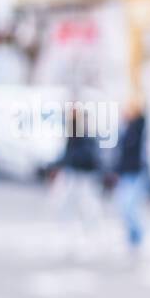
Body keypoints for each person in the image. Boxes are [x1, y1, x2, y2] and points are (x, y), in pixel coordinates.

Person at [49, 103, 105, 259]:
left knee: (88, 209)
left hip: (85, 178)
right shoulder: (74, 136)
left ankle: (92, 239)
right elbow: (68, 154)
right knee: (66, 206)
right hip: (74, 176)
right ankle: (72, 238)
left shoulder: (86, 136)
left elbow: (89, 157)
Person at [111, 98, 150, 259]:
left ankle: (141, 237)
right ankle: (133, 240)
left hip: (136, 174)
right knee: (125, 208)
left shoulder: (138, 127)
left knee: (130, 208)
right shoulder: (126, 128)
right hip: (126, 174)